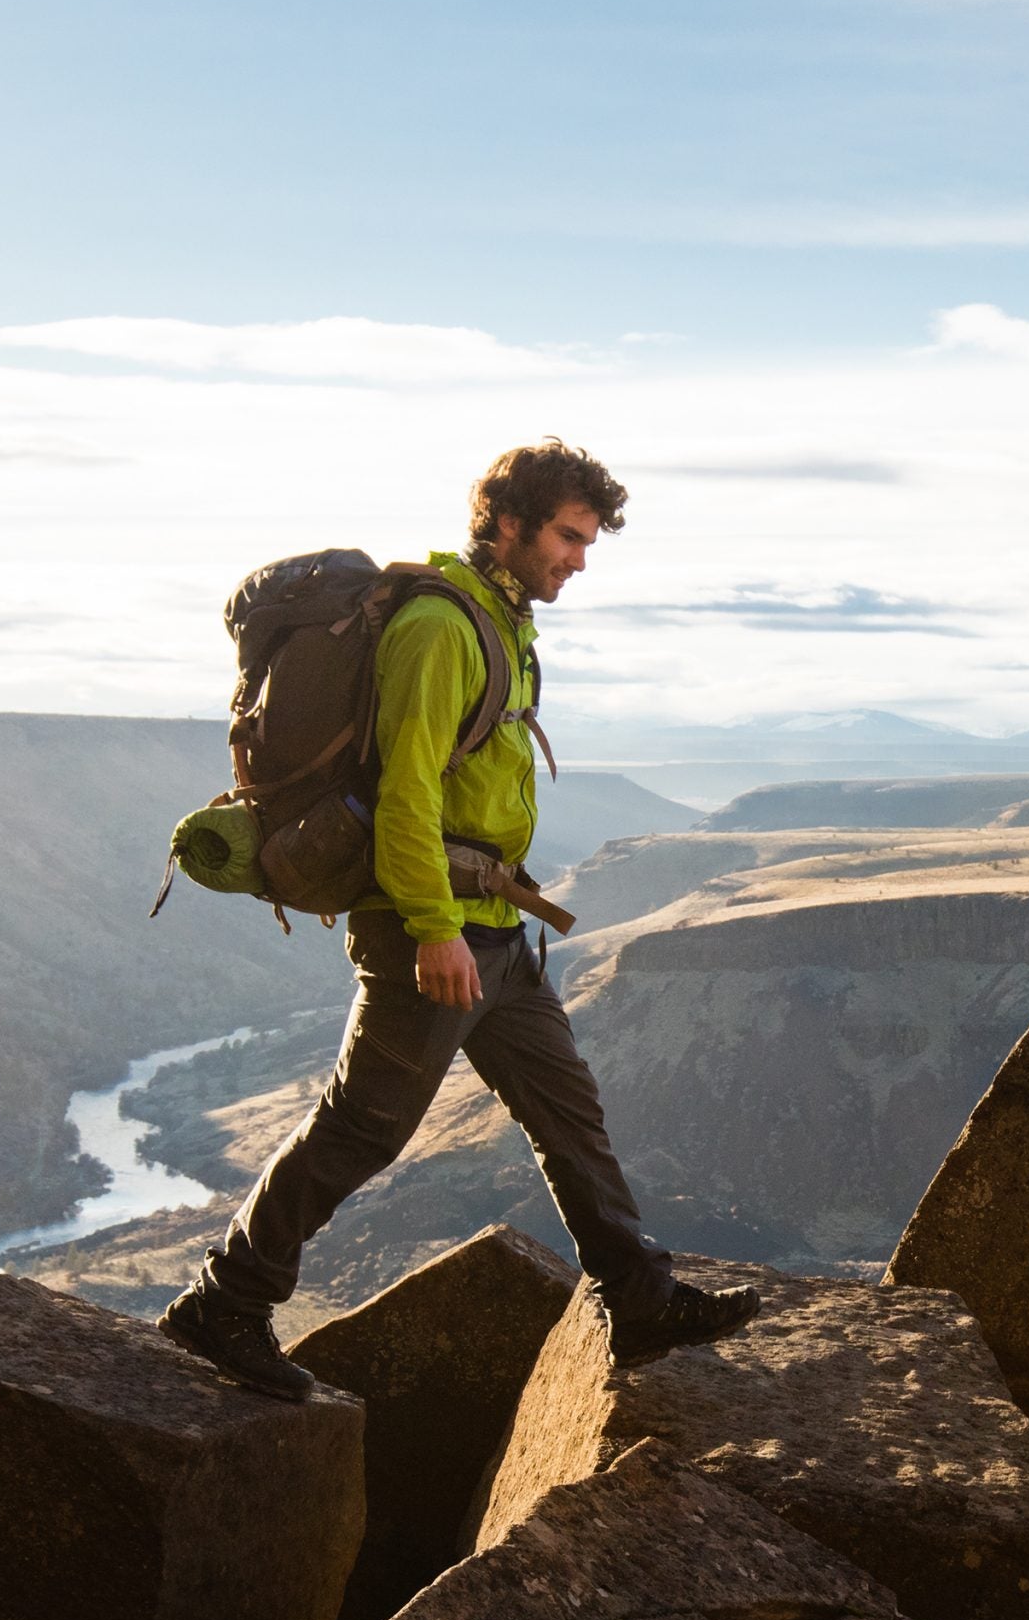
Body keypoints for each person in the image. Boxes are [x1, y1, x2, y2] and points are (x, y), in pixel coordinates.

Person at [159, 440, 757, 1401]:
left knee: (571, 1115)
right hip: (429, 931)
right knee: (360, 1130)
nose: (580, 559)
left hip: (497, 933)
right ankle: (223, 1302)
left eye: (589, 540)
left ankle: (637, 1297)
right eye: (568, 535)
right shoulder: (441, 627)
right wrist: (434, 930)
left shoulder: (504, 619)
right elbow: (403, 798)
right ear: (509, 524)